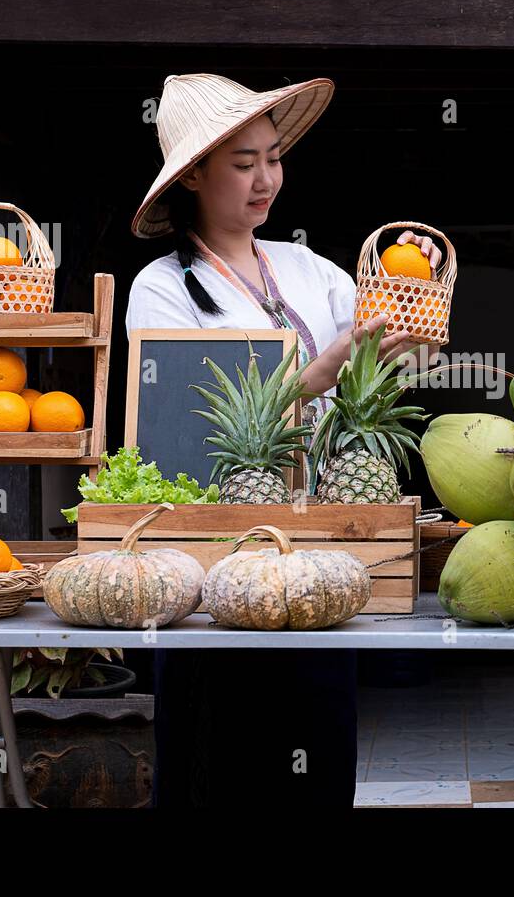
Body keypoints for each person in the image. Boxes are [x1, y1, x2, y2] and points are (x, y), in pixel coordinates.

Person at [125, 73, 441, 806]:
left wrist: (412, 283)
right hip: (214, 563)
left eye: (273, 157)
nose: (266, 178)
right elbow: (181, 426)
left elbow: (404, 362)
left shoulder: (312, 271)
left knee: (317, 763)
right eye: (243, 164)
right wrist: (320, 368)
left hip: (319, 556)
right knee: (216, 769)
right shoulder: (163, 289)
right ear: (195, 173)